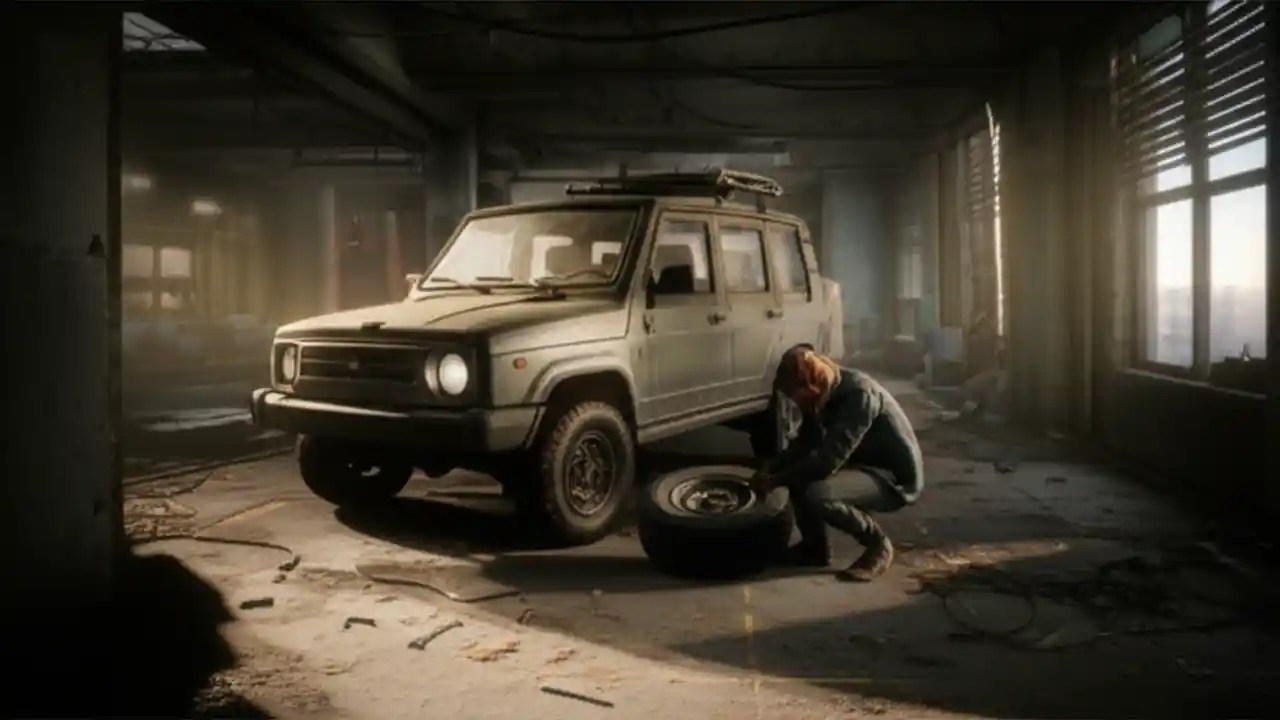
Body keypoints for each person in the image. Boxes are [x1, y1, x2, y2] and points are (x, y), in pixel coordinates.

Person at [750, 344, 924, 582]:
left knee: (818, 493)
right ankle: (814, 549)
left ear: (811, 384)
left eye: (795, 394)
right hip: (861, 464)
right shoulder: (821, 394)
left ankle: (878, 545)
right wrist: (773, 467)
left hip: (892, 477)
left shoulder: (859, 396)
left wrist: (776, 480)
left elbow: (826, 461)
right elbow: (805, 445)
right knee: (800, 474)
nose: (794, 402)